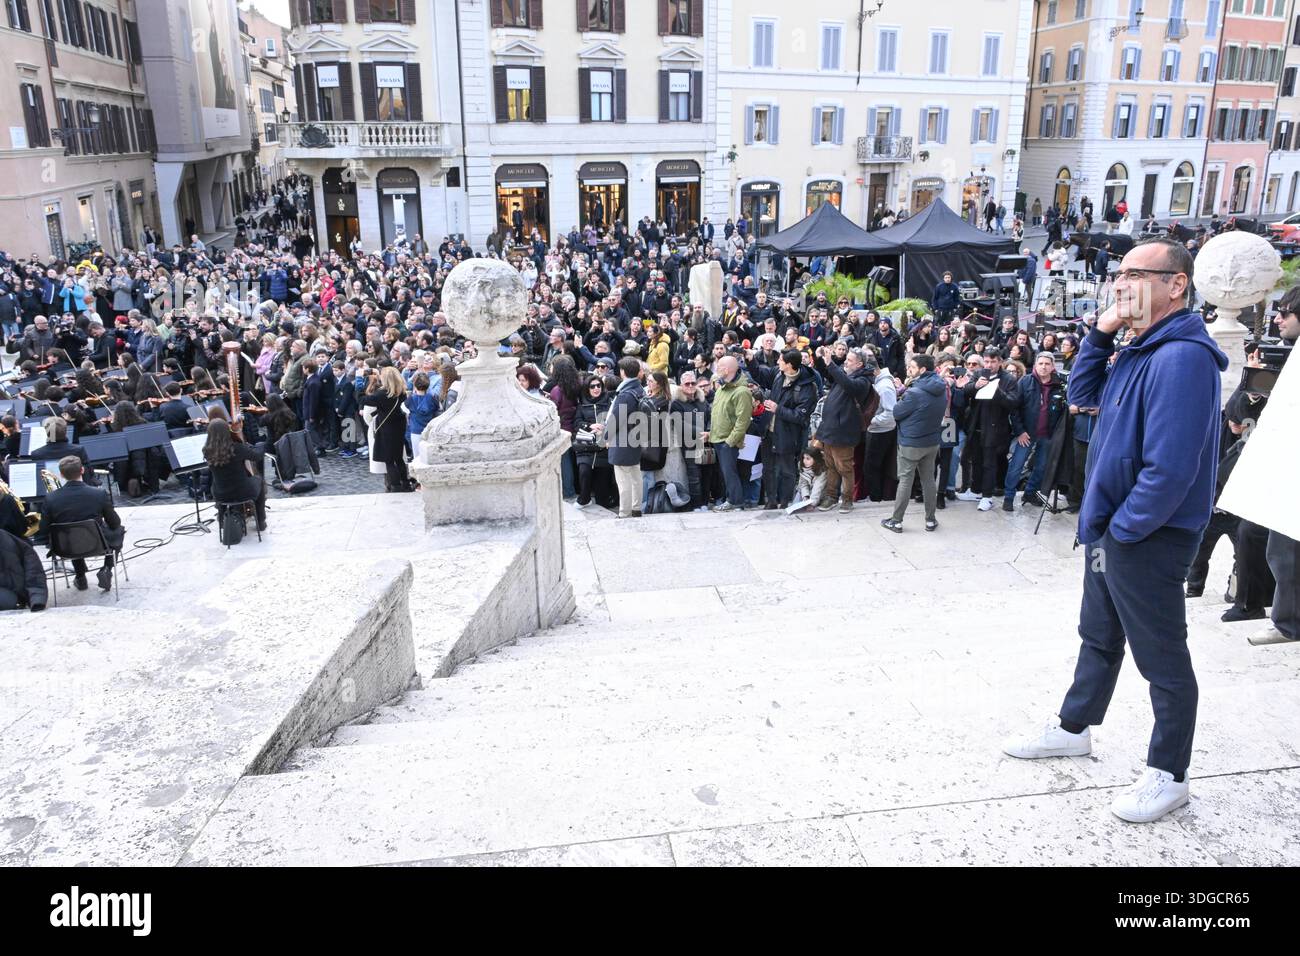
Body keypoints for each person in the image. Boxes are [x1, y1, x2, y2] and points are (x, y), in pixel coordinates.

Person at [1003, 238, 1229, 824]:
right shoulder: (1140, 347)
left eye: (1135, 273)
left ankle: (1168, 773)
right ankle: (1074, 728)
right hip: (1115, 527)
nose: (1120, 282)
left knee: (1162, 657)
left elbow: (1171, 468)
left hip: (1147, 534)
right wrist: (1102, 330)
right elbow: (1081, 397)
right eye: (1119, 272)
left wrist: (1125, 531)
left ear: (1176, 284)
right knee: (1098, 635)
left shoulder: (1182, 357)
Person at [882, 354, 946, 533]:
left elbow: (897, 412)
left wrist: (900, 394)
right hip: (932, 441)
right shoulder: (941, 386)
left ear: (922, 370)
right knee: (928, 481)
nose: (908, 369)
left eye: (912, 367)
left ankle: (896, 520)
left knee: (905, 481)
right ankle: (931, 520)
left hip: (911, 443)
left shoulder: (915, 392)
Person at [40, 455, 124, 592]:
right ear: (82, 470)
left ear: (61, 474)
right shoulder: (99, 494)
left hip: (65, 547)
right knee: (119, 530)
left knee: (70, 533)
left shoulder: (50, 498)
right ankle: (107, 568)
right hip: (98, 544)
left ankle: (80, 577)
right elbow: (115, 523)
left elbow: (43, 530)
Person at [954, 347, 1018, 511]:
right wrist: (975, 385)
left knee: (989, 463)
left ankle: (987, 496)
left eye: (993, 361)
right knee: (975, 460)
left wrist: (996, 391)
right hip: (976, 425)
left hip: (995, 427)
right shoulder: (978, 374)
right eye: (987, 361)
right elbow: (966, 391)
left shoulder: (1008, 379)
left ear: (1000, 362)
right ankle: (975, 490)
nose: (989, 365)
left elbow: (1012, 403)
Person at [1003, 351, 1066, 512]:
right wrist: (1020, 432)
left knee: (1042, 467)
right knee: (1016, 466)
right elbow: (1014, 409)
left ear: (1052, 366)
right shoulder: (1025, 381)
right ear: (1035, 365)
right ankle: (1009, 497)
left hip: (1047, 434)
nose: (1043, 367)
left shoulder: (1059, 384)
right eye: (1040, 363)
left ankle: (1030, 493)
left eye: (1047, 364)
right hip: (1027, 434)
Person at [813, 345, 873, 513]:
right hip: (830, 429)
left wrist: (831, 364)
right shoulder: (845, 374)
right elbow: (829, 374)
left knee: (845, 468)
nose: (845, 363)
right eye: (846, 359)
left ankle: (847, 500)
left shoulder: (863, 381)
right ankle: (831, 497)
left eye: (849, 360)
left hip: (844, 432)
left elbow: (848, 385)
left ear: (859, 364)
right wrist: (821, 359)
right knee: (830, 465)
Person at [598, 356, 647, 518]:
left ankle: (624, 512)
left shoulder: (626, 394)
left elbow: (615, 420)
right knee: (635, 475)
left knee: (623, 479)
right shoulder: (640, 390)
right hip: (636, 437)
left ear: (623, 372)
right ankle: (636, 508)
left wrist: (605, 437)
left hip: (622, 440)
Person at [706, 355, 755, 512]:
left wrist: (730, 441)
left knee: (730, 473)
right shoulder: (721, 388)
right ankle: (731, 500)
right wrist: (710, 433)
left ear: (726, 370)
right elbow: (720, 415)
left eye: (719, 366)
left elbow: (743, 420)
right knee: (726, 473)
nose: (716, 369)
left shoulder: (741, 392)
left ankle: (735, 502)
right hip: (718, 439)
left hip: (728, 441)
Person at [202, 418, 267, 534]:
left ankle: (222, 520)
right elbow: (257, 456)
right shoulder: (237, 448)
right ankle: (261, 521)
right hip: (242, 492)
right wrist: (251, 446)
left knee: (218, 485)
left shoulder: (206, 450)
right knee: (259, 481)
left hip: (220, 494)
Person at [361, 367, 413, 493]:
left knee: (389, 460)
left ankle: (395, 485)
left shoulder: (381, 394)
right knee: (399, 458)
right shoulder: (402, 392)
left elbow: (363, 399)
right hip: (399, 427)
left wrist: (364, 381)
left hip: (386, 429)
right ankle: (405, 483)